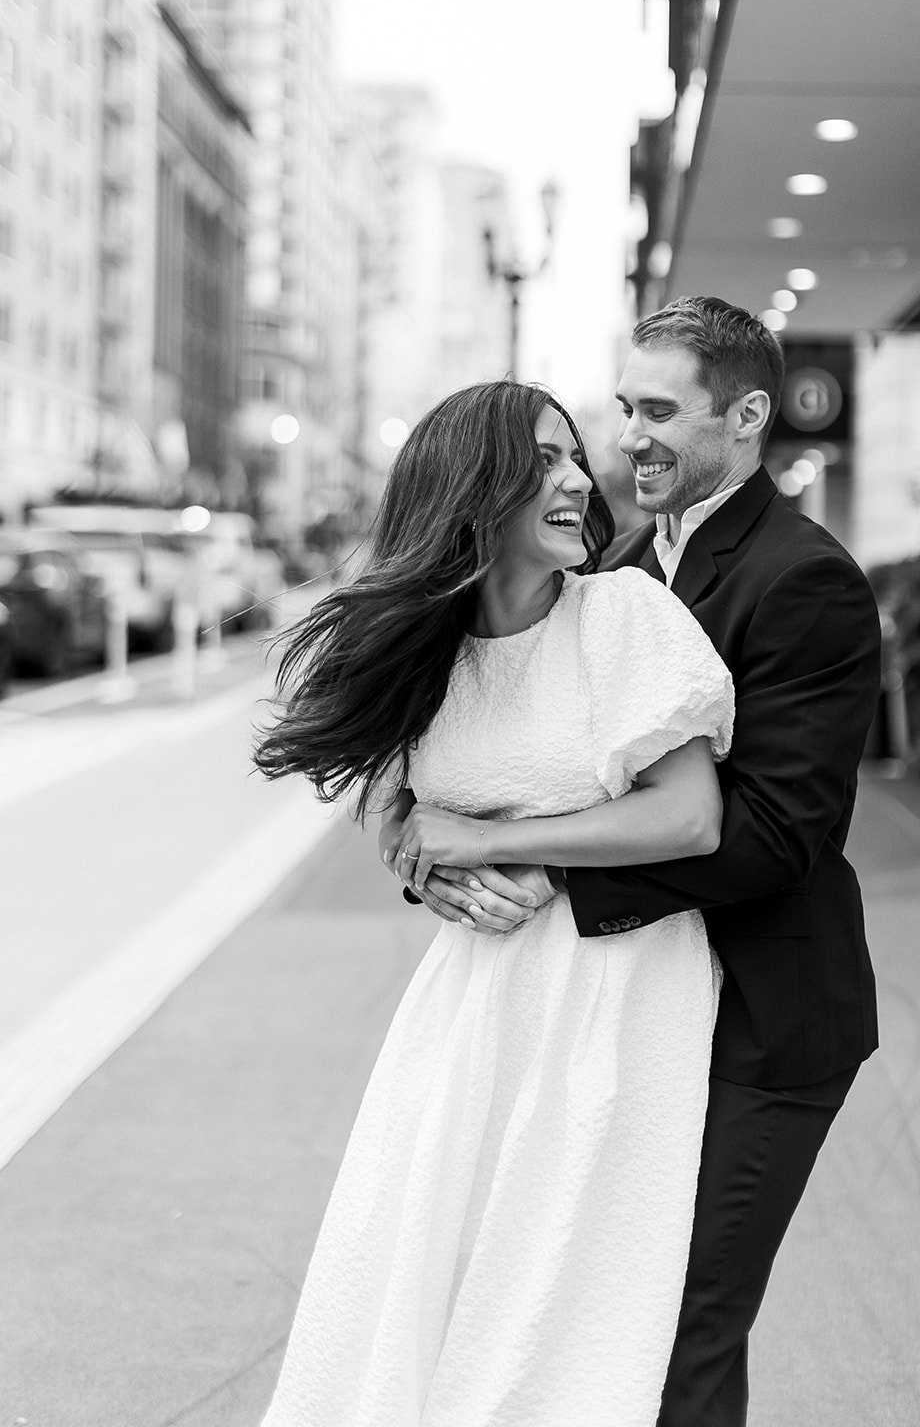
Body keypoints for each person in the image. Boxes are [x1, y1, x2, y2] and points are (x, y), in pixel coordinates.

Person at [411, 297, 882, 1427]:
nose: (627, 438)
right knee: (589, 1317)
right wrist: (437, 866)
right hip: (620, 1017)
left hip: (762, 1019)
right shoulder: (610, 567)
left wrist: (529, 865)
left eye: (659, 410)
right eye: (622, 407)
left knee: (679, 1322)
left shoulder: (802, 580)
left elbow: (772, 833)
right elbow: (511, 758)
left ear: (747, 415)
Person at [253, 378, 734, 1426]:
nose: (575, 480)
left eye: (573, 457)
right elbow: (395, 812)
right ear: (472, 490)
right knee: (422, 1260)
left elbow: (689, 816)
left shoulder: (622, 616)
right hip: (471, 1003)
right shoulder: (427, 650)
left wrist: (490, 839)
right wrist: (421, 863)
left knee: (561, 1289)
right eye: (543, 461)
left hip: (615, 992)